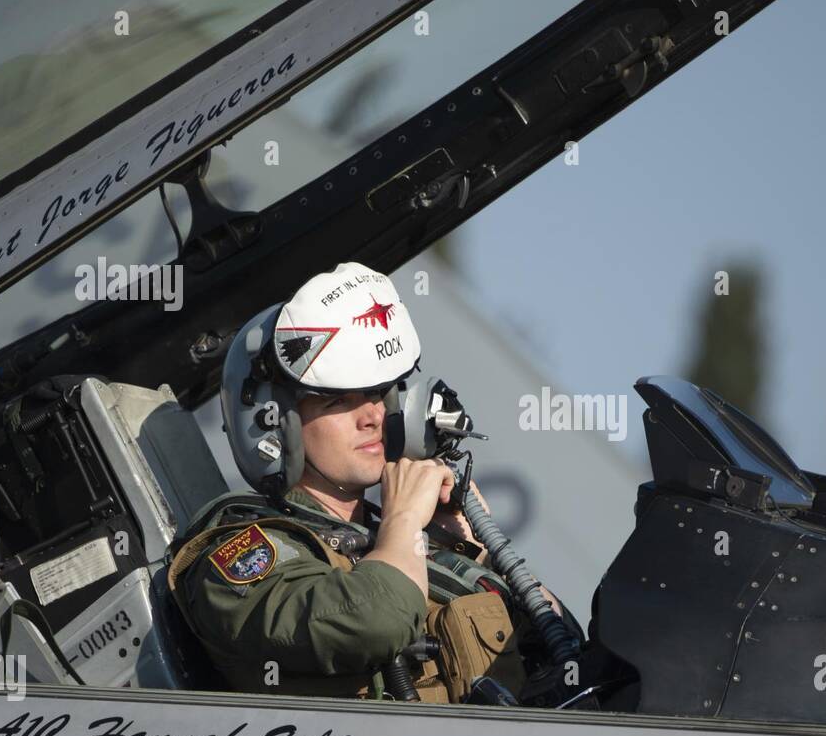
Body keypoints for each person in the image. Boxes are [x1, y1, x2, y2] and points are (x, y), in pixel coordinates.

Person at [165, 261, 564, 700]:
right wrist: (404, 526)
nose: (374, 416)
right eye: (338, 399)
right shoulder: (235, 554)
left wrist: (475, 554)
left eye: (377, 393)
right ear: (276, 422)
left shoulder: (391, 543)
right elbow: (375, 621)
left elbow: (559, 643)